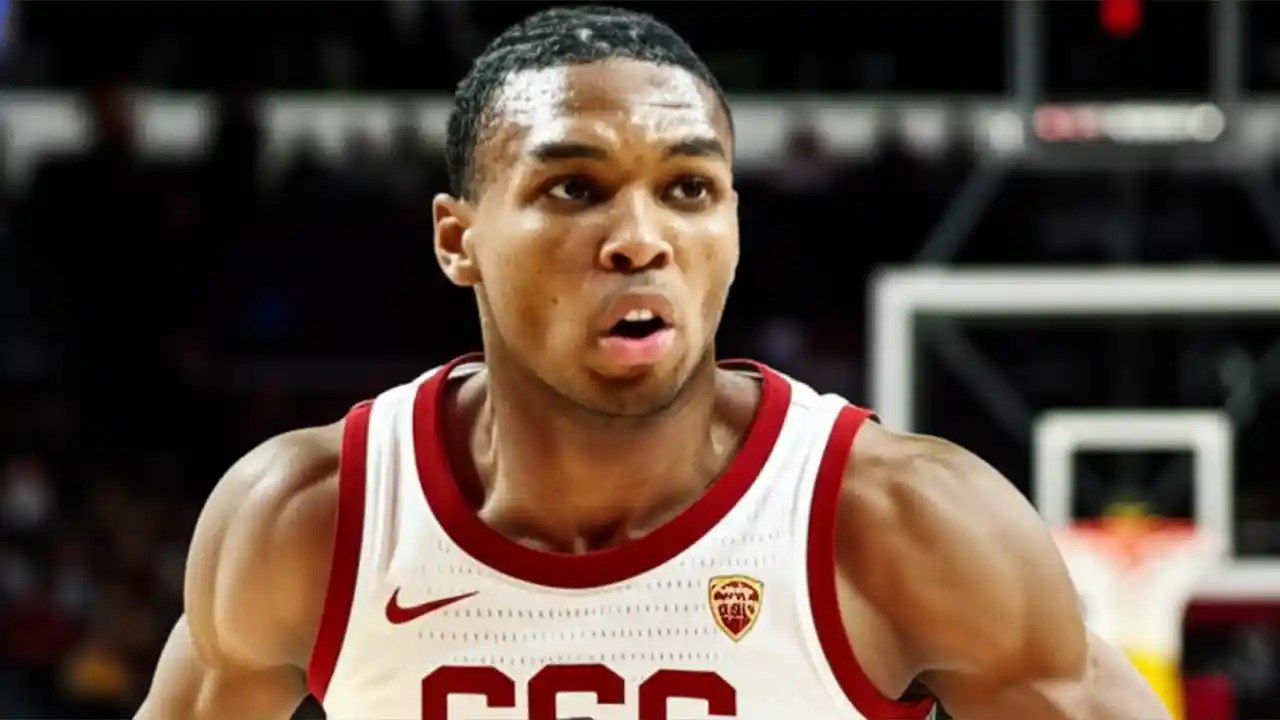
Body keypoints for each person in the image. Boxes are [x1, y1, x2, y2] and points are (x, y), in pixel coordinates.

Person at [136, 6, 1170, 719]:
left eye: (687, 188)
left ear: (732, 222)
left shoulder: (901, 522)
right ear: (457, 240)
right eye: (574, 188)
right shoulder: (311, 519)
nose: (640, 238)